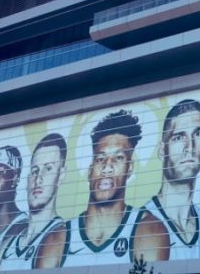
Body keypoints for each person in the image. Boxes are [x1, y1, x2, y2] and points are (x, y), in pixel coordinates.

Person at [134, 99, 200, 260]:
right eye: (178, 137)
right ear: (162, 150)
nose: (190, 146)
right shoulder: (138, 227)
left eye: (198, 134)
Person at [62, 110, 145, 266]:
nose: (107, 168)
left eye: (118, 158)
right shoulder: (59, 237)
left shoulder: (147, 229)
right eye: (100, 159)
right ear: (89, 170)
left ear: (130, 168)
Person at [0, 133, 68, 270]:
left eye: (48, 169)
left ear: (61, 175)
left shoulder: (61, 236)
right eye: (35, 171)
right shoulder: (6, 246)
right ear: (28, 178)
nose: (38, 179)